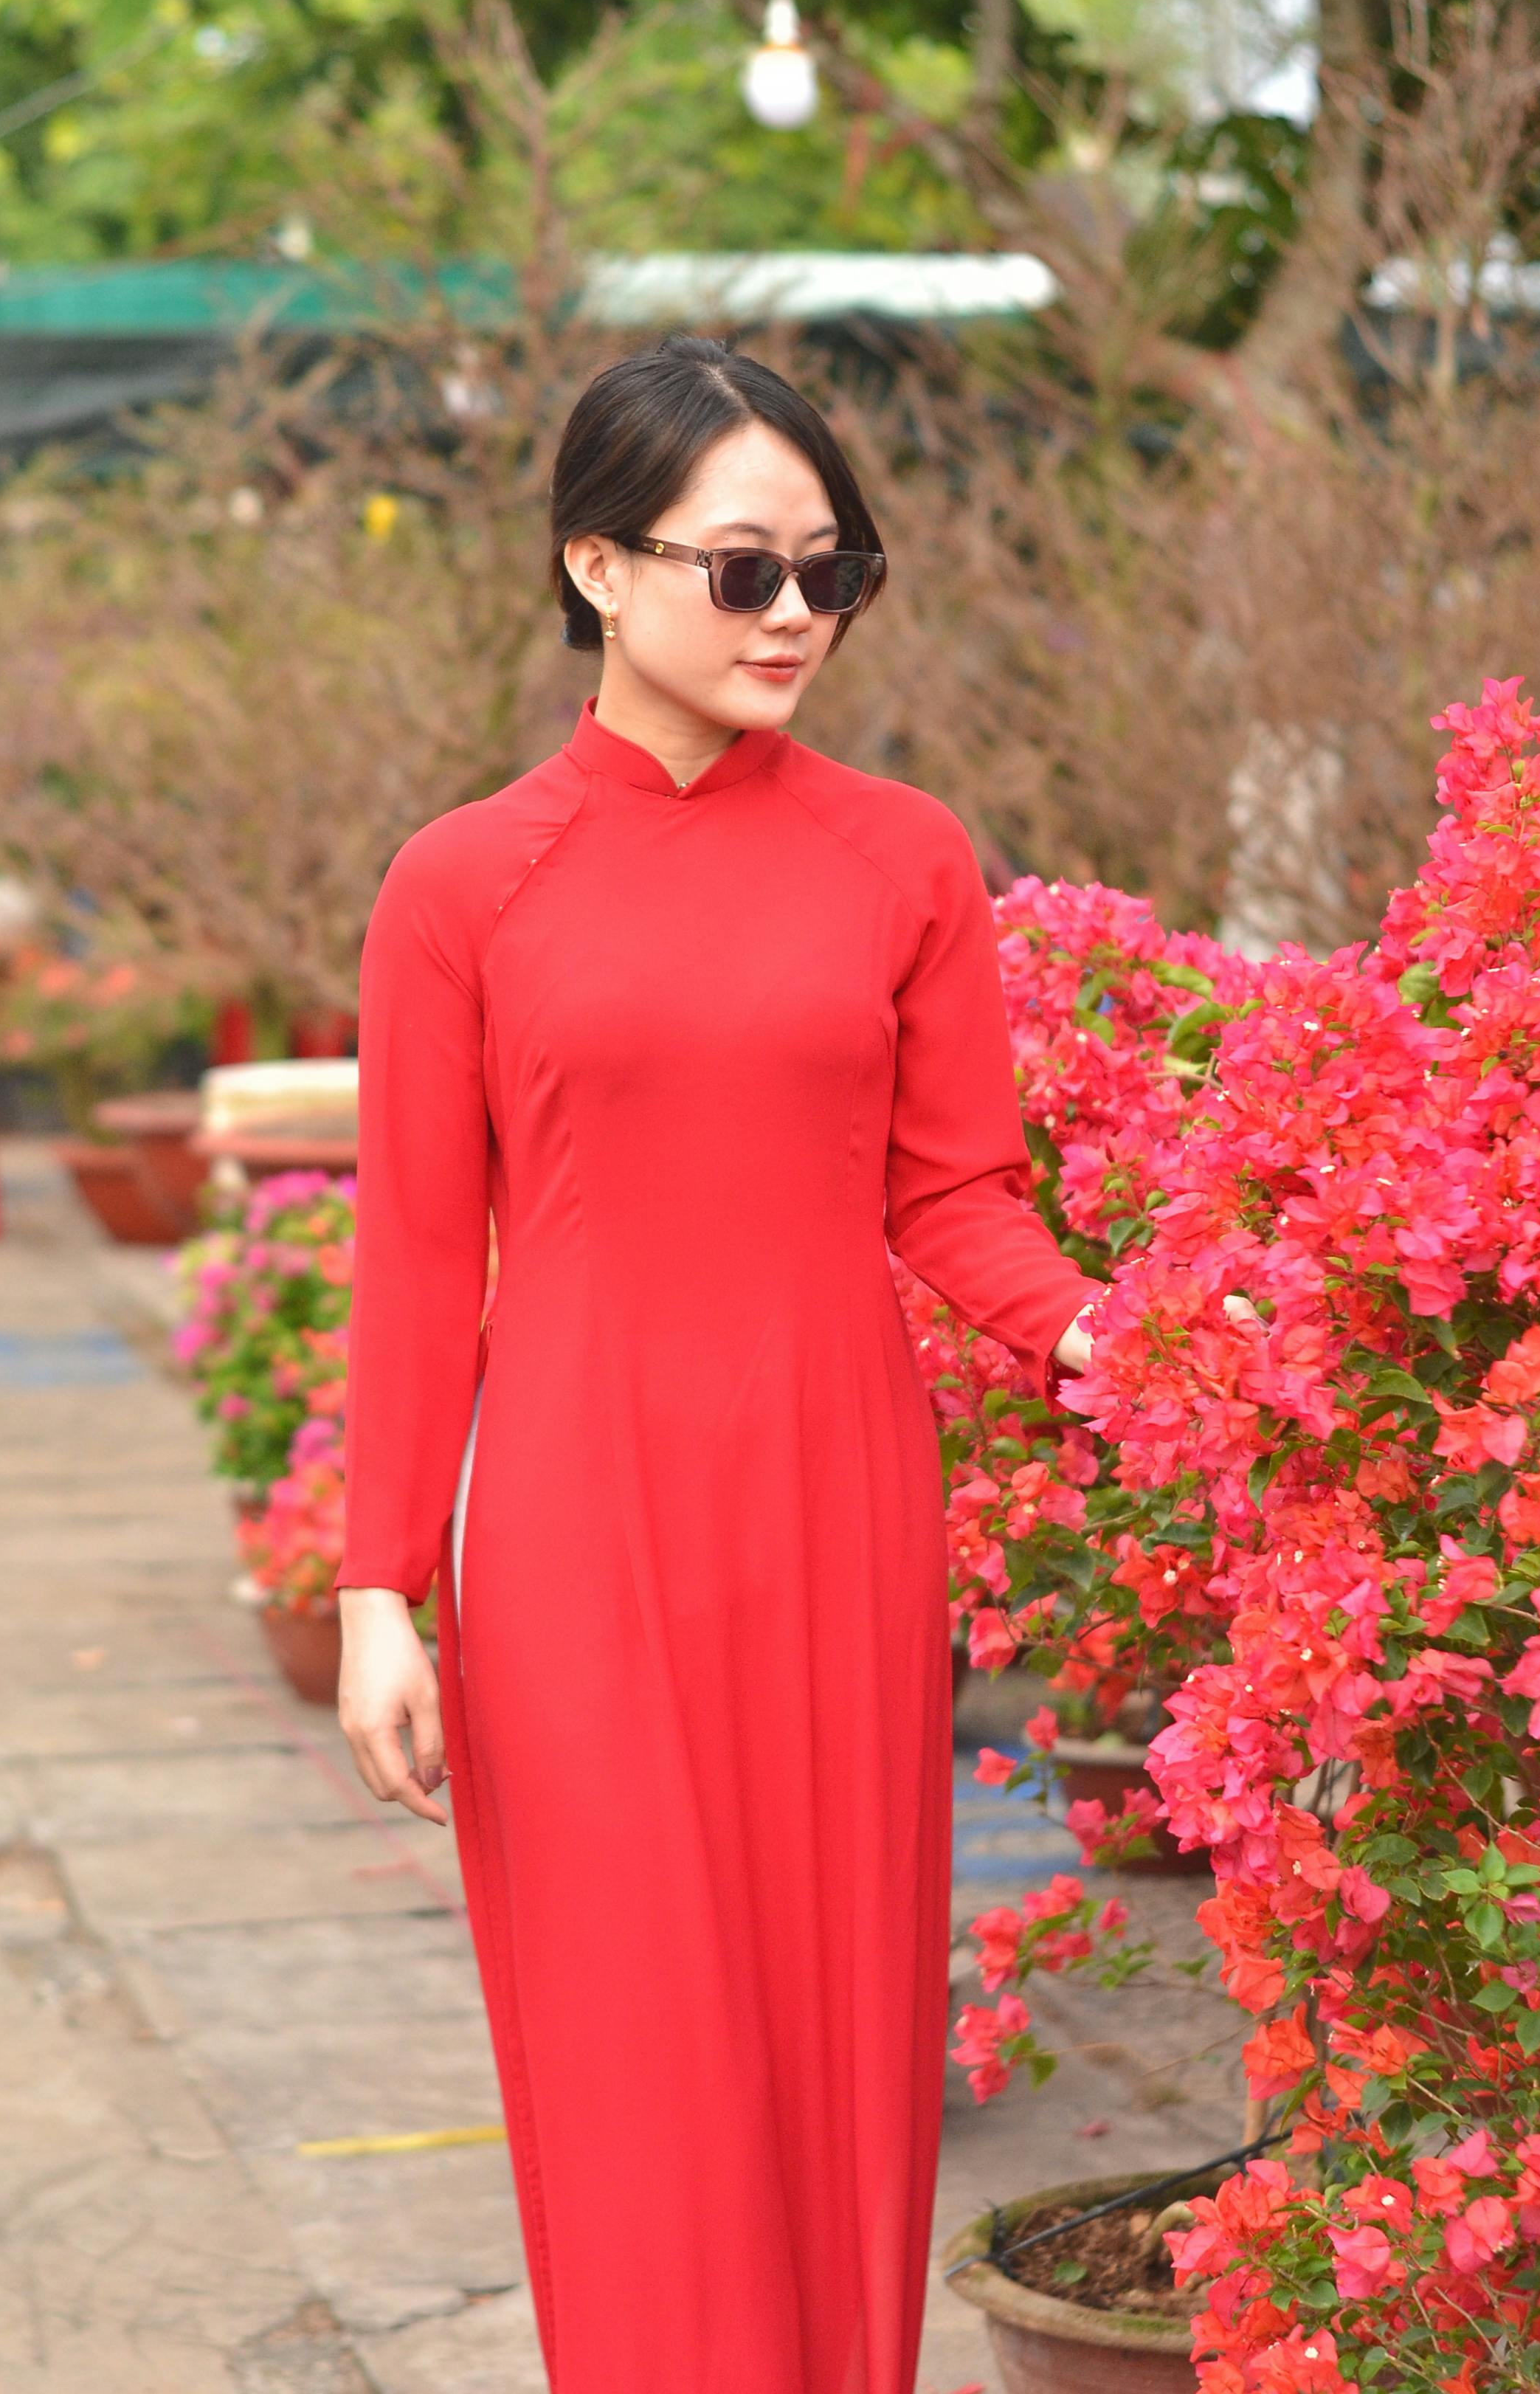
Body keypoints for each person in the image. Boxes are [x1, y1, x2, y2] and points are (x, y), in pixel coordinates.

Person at [335, 336, 1098, 2394]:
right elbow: (413, 1258)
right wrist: (378, 1590)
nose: (792, 620)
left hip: (844, 1511)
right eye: (740, 570)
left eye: (829, 577)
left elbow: (958, 1198)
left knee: (841, 2054)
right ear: (597, 563)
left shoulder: (905, 859)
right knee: (632, 2062)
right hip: (579, 1532)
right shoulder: (464, 883)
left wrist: (1106, 1336)